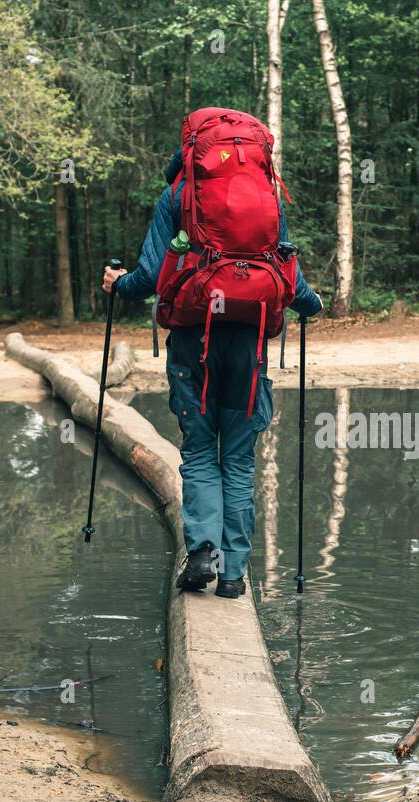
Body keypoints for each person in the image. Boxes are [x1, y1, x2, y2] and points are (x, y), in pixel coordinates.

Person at [103, 109, 321, 599]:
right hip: (249, 336)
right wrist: (312, 303)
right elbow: (288, 270)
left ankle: (202, 552)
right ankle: (233, 576)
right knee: (239, 460)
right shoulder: (266, 194)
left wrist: (118, 285)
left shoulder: (178, 194)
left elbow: (148, 278)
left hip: (192, 337)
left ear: (189, 148)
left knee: (201, 449)